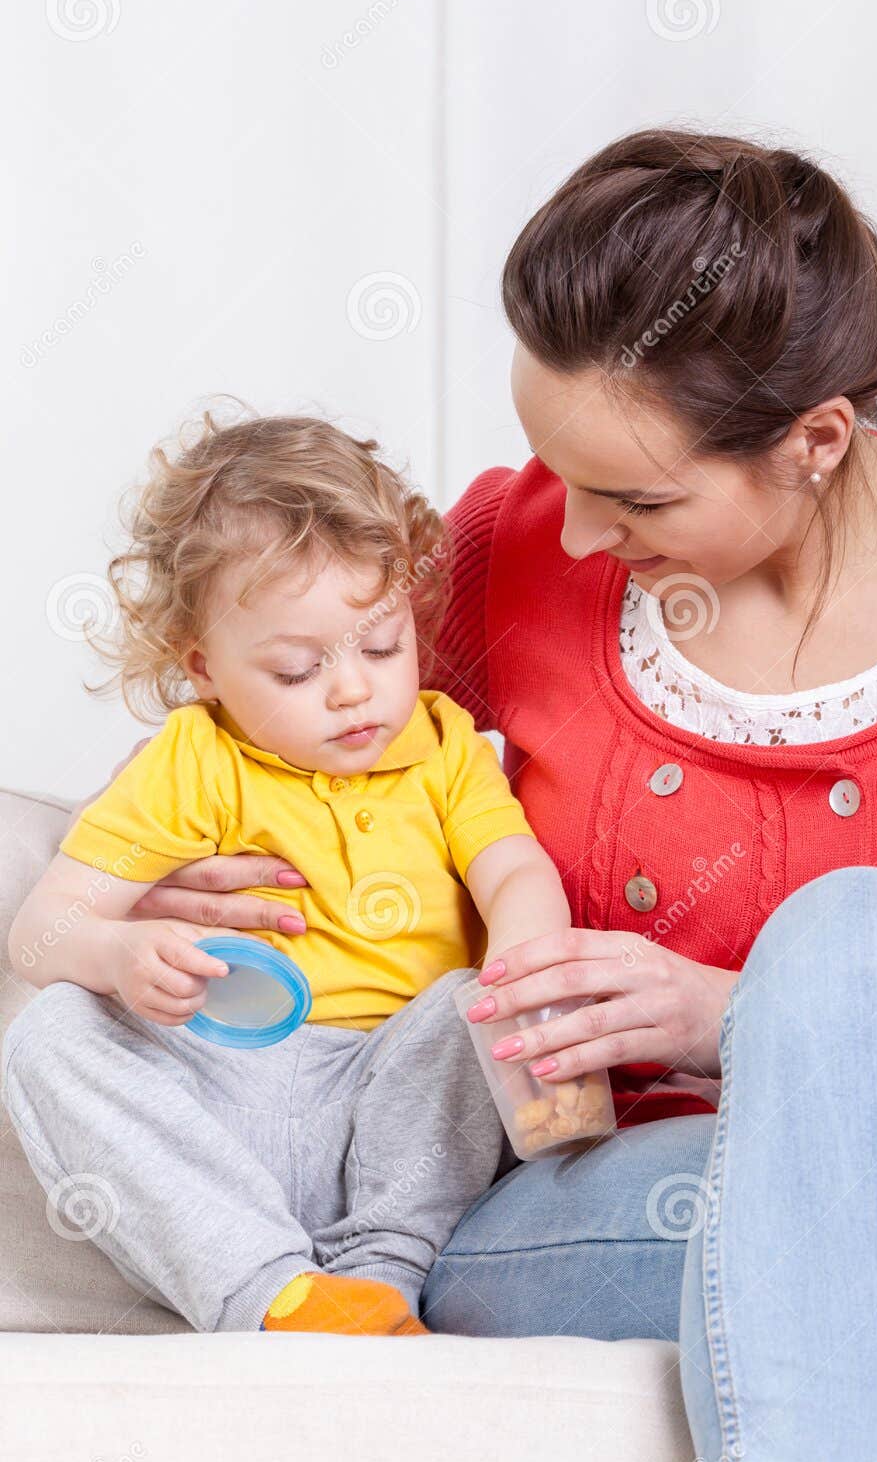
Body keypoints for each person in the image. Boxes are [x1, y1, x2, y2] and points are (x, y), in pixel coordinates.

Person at [43, 131, 877, 1462]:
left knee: (865, 952)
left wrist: (743, 1015)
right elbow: (336, 769)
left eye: (635, 497)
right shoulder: (508, 549)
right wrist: (180, 896)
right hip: (590, 1193)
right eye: (550, 467)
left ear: (814, 440)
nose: (572, 535)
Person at [2, 412, 569, 1339]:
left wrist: (522, 947)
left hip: (399, 1108)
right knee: (49, 1036)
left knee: (469, 1002)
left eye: (381, 647)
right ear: (206, 668)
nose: (354, 690)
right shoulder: (193, 761)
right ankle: (269, 1293)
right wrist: (117, 949)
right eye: (300, 670)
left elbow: (513, 870)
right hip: (233, 1095)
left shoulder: (442, 748)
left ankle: (382, 1280)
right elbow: (40, 933)